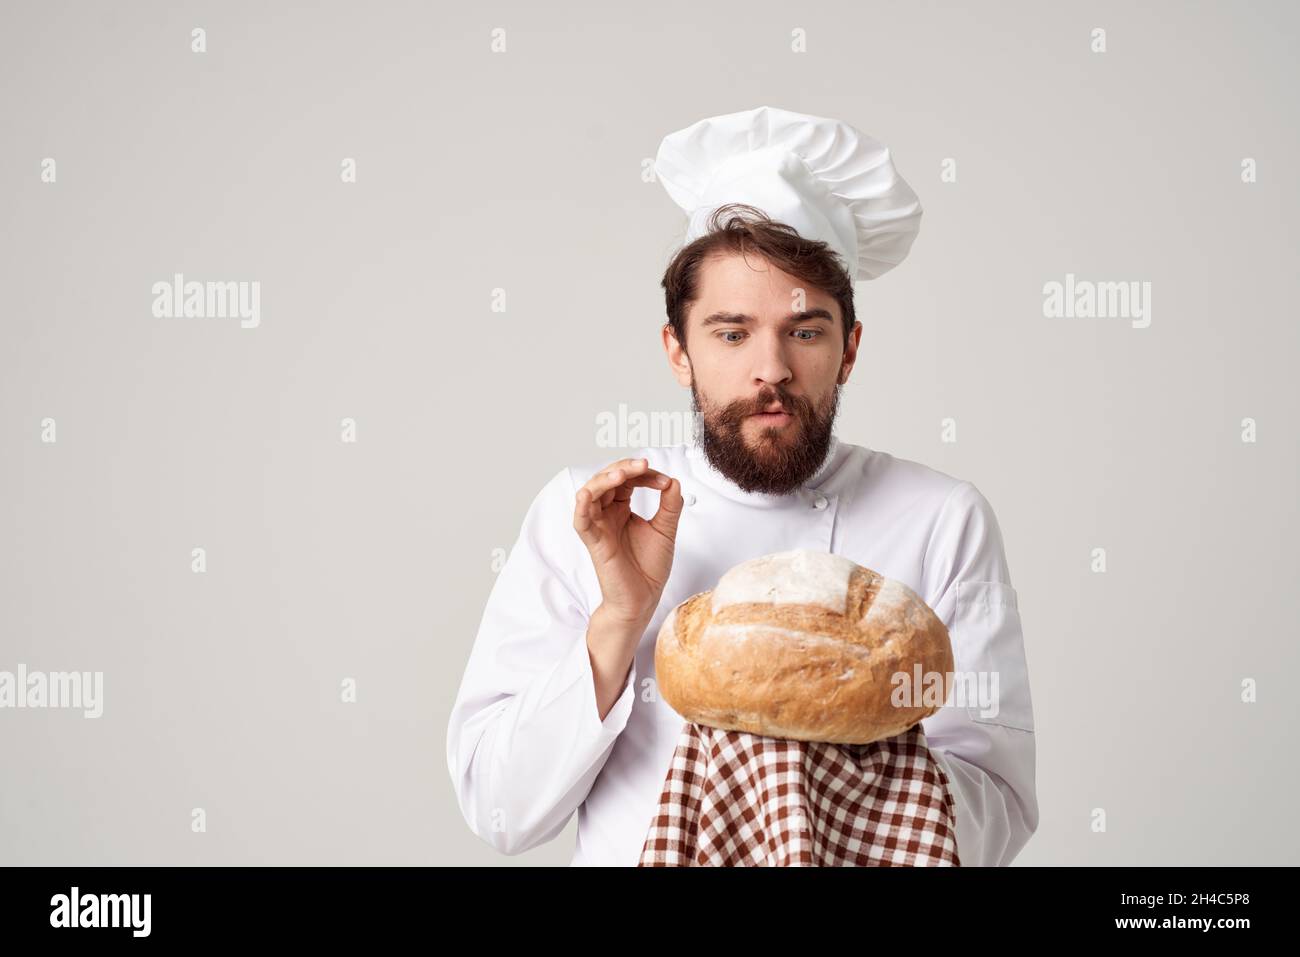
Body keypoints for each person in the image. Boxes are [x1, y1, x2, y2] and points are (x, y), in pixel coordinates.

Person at [446, 107, 1038, 866]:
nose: (772, 370)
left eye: (805, 330)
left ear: (849, 348)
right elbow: (500, 809)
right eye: (731, 333)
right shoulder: (592, 514)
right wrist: (621, 618)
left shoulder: (941, 518)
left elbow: (1002, 807)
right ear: (678, 351)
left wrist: (827, 771)